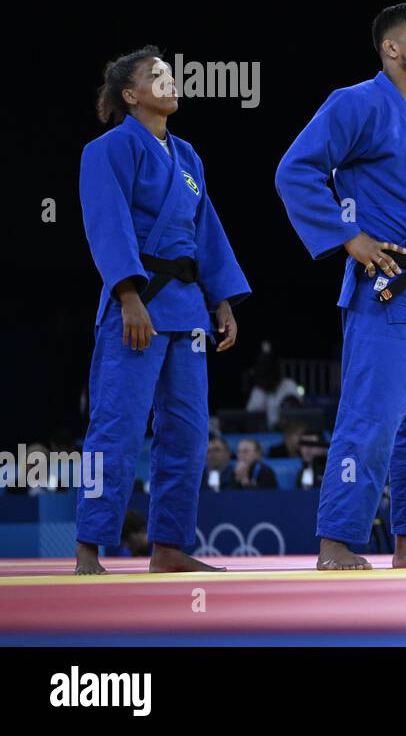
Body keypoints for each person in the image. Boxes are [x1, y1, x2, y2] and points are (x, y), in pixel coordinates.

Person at [275, 0, 406, 571]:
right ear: (391, 48)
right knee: (372, 418)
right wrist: (348, 236)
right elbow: (295, 170)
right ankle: (337, 541)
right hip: (385, 292)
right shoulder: (356, 103)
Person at [76, 47, 249, 575]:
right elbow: (108, 223)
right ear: (131, 95)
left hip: (188, 308)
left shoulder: (189, 156)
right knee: (117, 428)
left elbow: (207, 234)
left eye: (172, 76)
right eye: (158, 76)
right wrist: (128, 295)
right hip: (139, 305)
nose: (172, 83)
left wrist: (221, 299)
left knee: (189, 432)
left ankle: (170, 548)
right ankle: (88, 548)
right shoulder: (107, 149)